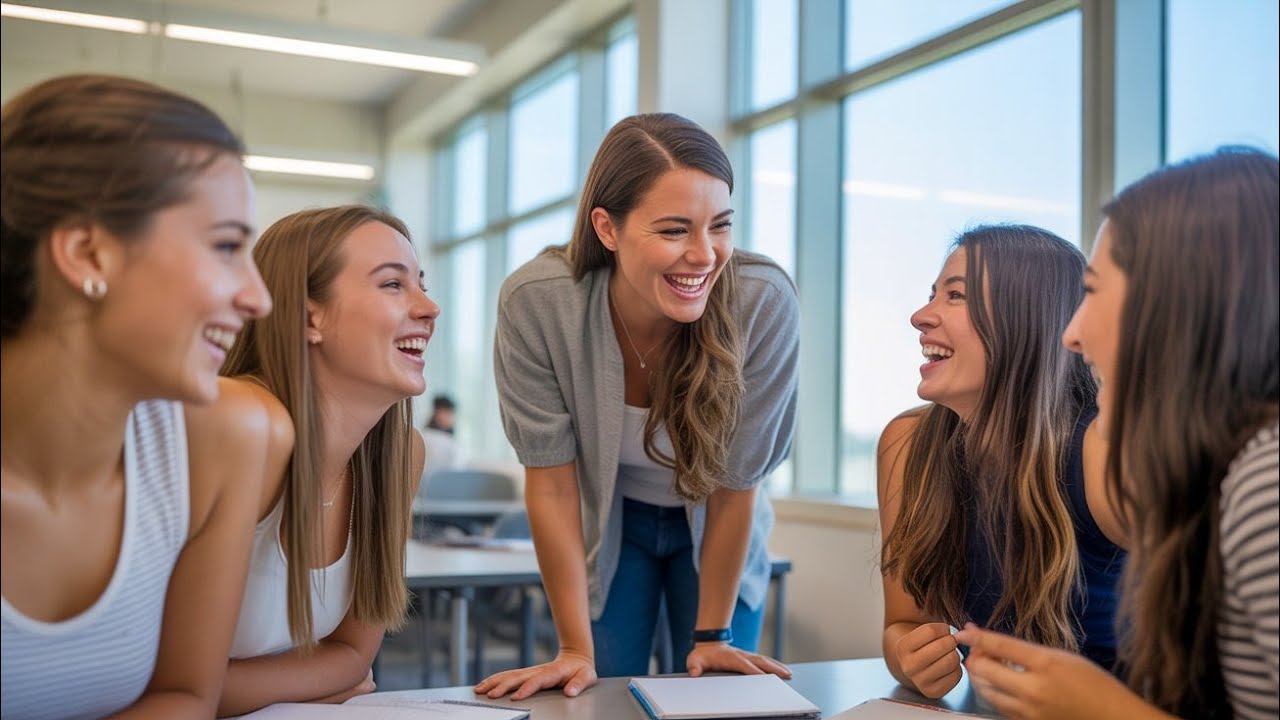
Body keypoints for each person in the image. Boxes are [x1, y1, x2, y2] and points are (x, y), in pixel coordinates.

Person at [476, 113, 797, 701]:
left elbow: (735, 489)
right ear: (607, 228)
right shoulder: (540, 303)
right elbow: (552, 486)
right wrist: (573, 649)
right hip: (613, 524)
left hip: (721, 520)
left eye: (720, 226)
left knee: (715, 700)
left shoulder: (762, 301)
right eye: (674, 230)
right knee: (598, 693)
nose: (704, 255)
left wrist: (713, 634)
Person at [958, 147, 1278, 719]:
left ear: (1177, 304)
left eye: (1094, 291)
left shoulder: (1265, 483)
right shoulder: (1219, 474)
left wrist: (1103, 709)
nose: (1072, 335)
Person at [1, 74, 277, 718]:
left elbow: (183, 696)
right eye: (226, 246)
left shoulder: (220, 443)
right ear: (88, 254)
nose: (258, 298)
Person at [877, 225, 1126, 700]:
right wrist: (911, 658)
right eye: (932, 295)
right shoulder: (907, 445)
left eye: (955, 295)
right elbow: (903, 623)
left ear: (1026, 319)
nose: (920, 316)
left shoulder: (1101, 450)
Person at [215, 205, 436, 715]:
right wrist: (315, 680)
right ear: (309, 316)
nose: (430, 307)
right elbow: (163, 681)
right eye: (393, 285)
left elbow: (355, 659)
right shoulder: (245, 426)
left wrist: (320, 678)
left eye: (421, 284)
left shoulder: (399, 454)